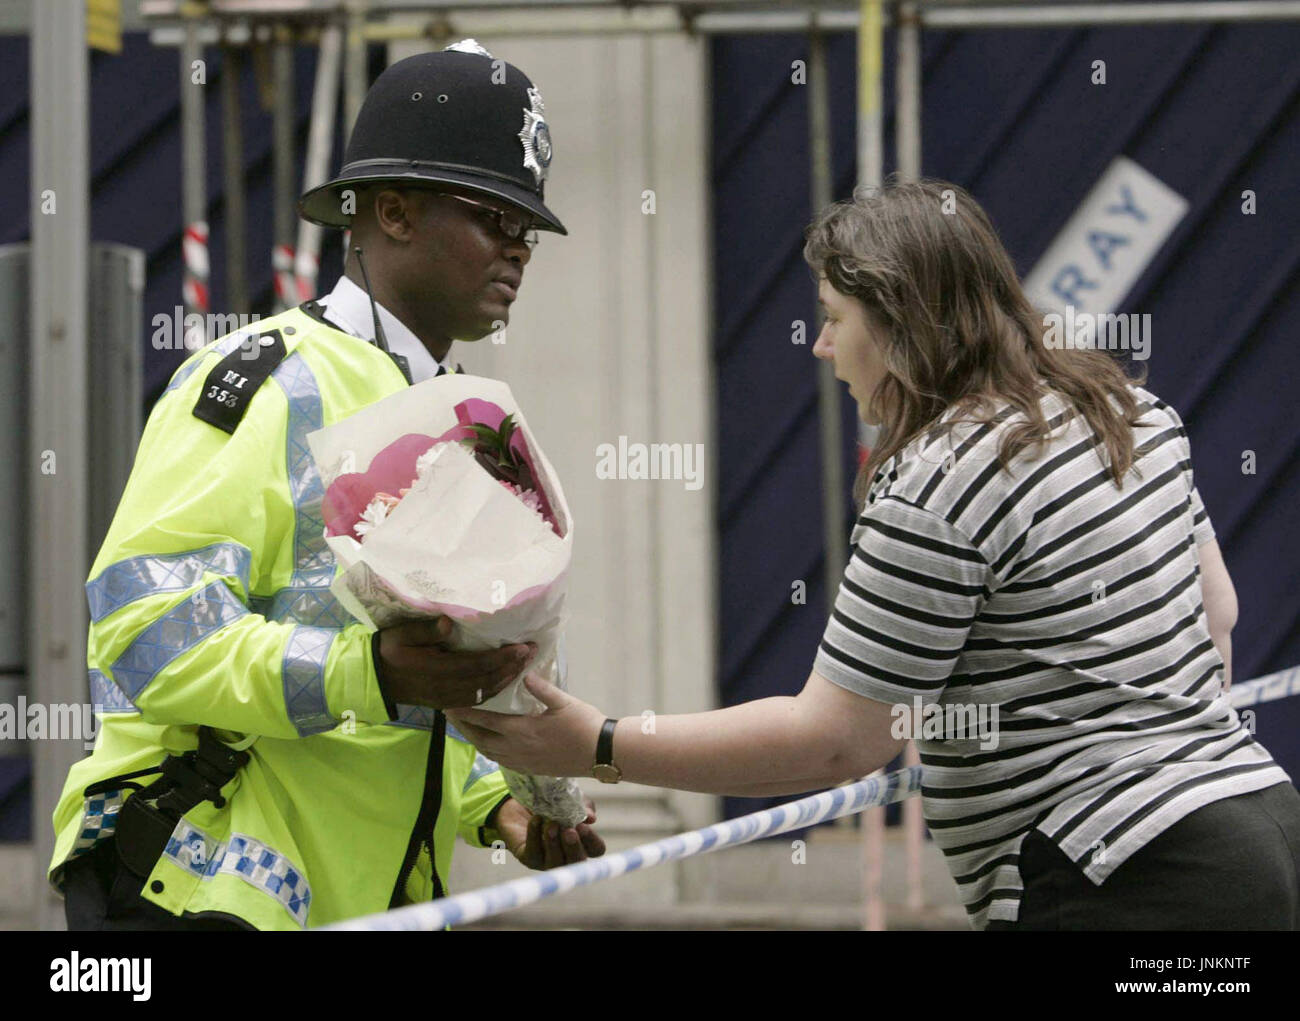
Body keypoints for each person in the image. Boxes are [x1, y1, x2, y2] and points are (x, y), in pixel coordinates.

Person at [448, 177, 1300, 931]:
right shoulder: (1131, 410)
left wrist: (598, 741)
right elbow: (1217, 614)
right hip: (1261, 828)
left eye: (833, 319)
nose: (820, 348)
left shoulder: (941, 478)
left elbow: (833, 744)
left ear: (900, 323)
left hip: (1133, 885)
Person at [49, 39, 604, 932]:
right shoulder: (257, 382)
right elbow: (142, 633)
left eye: (527, 227)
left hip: (368, 903)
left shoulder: (464, 423)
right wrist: (367, 672)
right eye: (492, 216)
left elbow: (424, 696)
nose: (519, 248)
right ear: (391, 211)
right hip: (198, 888)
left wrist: (493, 809)